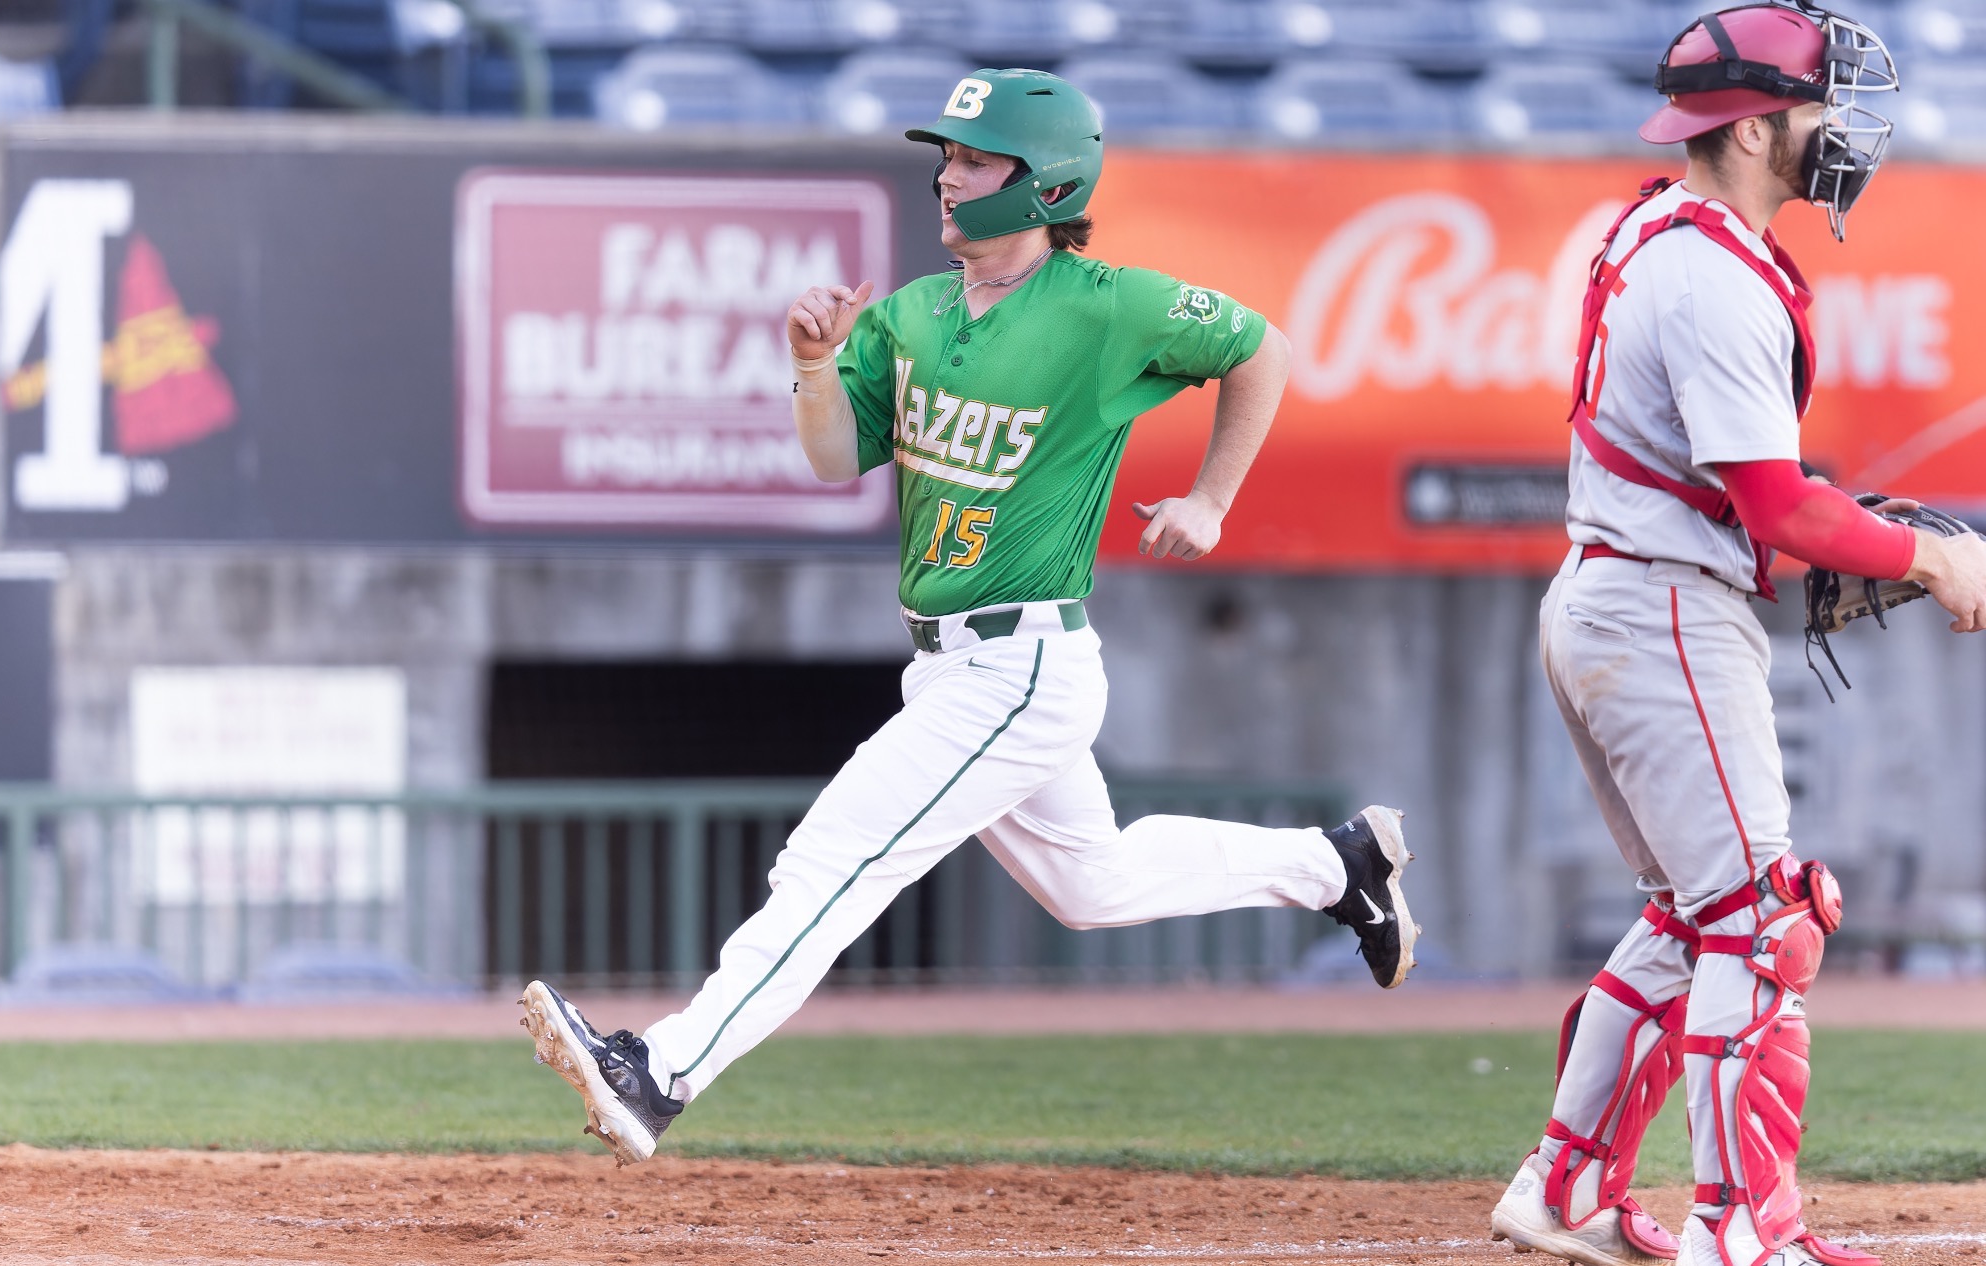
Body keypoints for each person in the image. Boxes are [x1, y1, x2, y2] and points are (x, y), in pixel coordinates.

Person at [519, 67, 1422, 1167]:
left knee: (834, 862)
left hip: (1022, 663)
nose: (947, 176)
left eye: (974, 159)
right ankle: (1335, 869)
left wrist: (1211, 499)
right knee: (1091, 887)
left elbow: (1260, 350)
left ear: (1041, 186)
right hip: (946, 668)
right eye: (945, 156)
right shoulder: (910, 313)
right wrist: (810, 364)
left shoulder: (1108, 305)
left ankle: (658, 1073)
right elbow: (829, 456)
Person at [1488, 6, 1986, 1266]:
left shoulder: (1660, 228)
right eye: (1816, 106)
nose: (1838, 129)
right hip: (1657, 611)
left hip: (1620, 593)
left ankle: (1563, 1190)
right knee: (1765, 922)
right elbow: (1777, 508)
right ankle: (1740, 1232)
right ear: (1755, 126)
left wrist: (1836, 525)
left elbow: (1738, 493)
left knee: (1693, 919)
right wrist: (1928, 553)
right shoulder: (1710, 271)